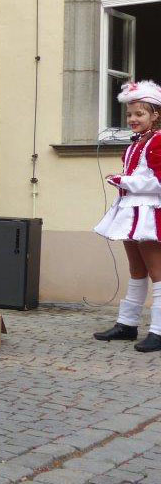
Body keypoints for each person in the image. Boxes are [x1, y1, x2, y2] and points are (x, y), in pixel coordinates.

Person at [94, 81, 161, 352]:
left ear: (155, 114)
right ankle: (127, 324)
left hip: (148, 212)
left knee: (157, 272)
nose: (133, 119)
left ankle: (158, 330)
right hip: (129, 210)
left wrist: (125, 181)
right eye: (130, 115)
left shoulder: (157, 142)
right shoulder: (137, 143)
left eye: (139, 114)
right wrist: (123, 181)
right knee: (136, 270)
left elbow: (158, 181)